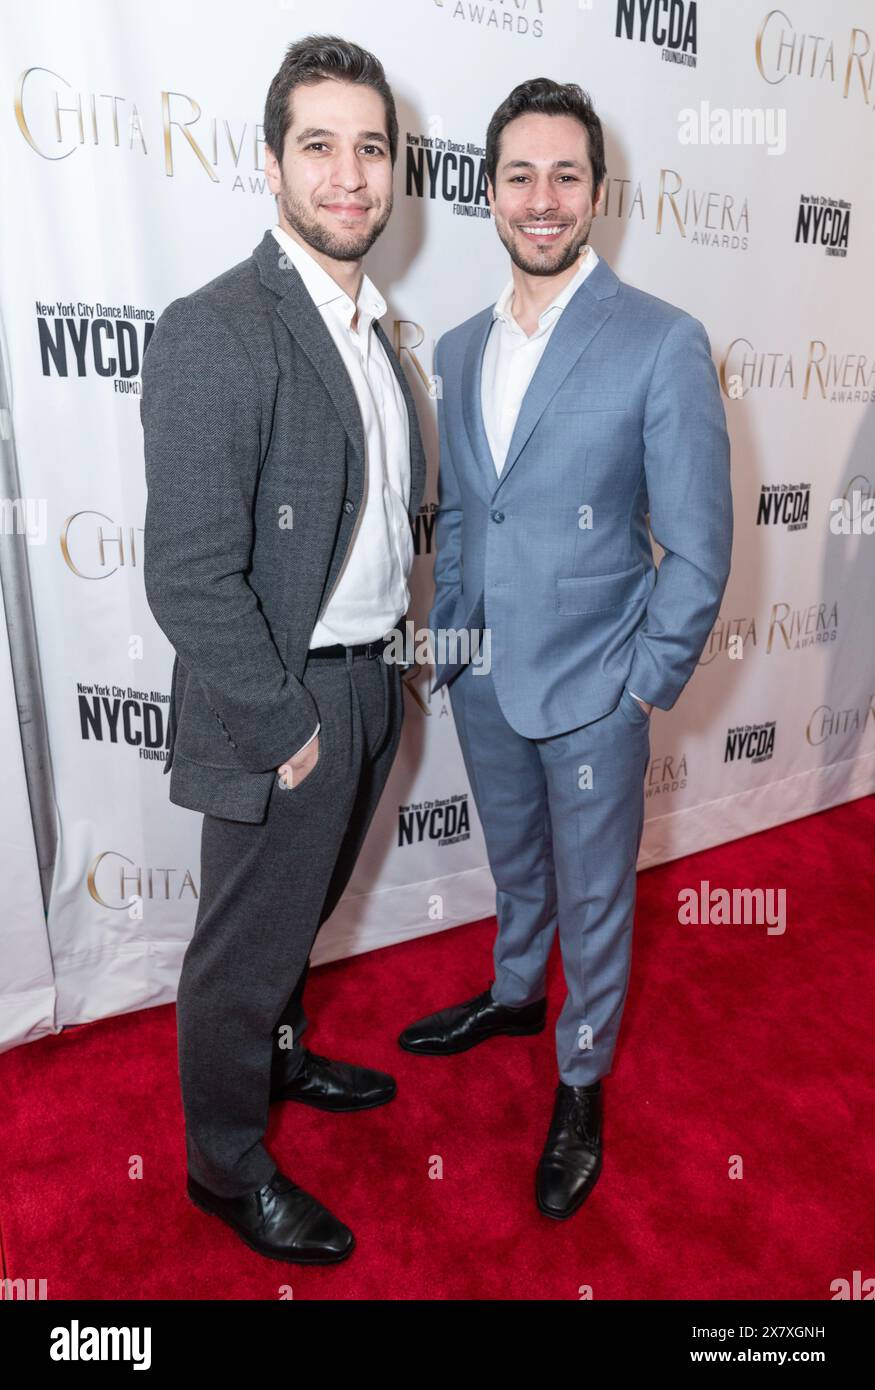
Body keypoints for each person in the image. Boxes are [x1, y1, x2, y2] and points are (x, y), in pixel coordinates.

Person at [399, 78, 732, 1220]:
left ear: (597, 191)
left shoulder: (659, 341)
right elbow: (463, 512)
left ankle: (579, 1076)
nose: (541, 201)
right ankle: (510, 991)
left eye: (565, 175)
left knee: (595, 896)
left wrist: (639, 689)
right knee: (514, 862)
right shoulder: (452, 346)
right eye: (518, 175)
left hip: (594, 688)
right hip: (484, 672)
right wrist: (448, 645)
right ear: (486, 191)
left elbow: (694, 547)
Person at [142, 34, 425, 1264]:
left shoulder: (375, 330)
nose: (348, 174)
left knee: (292, 920)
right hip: (286, 698)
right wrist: (288, 730)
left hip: (369, 683)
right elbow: (187, 574)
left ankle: (283, 1054)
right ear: (271, 165)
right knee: (239, 949)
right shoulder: (219, 327)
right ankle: (222, 1161)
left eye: (370, 147)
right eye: (319, 146)